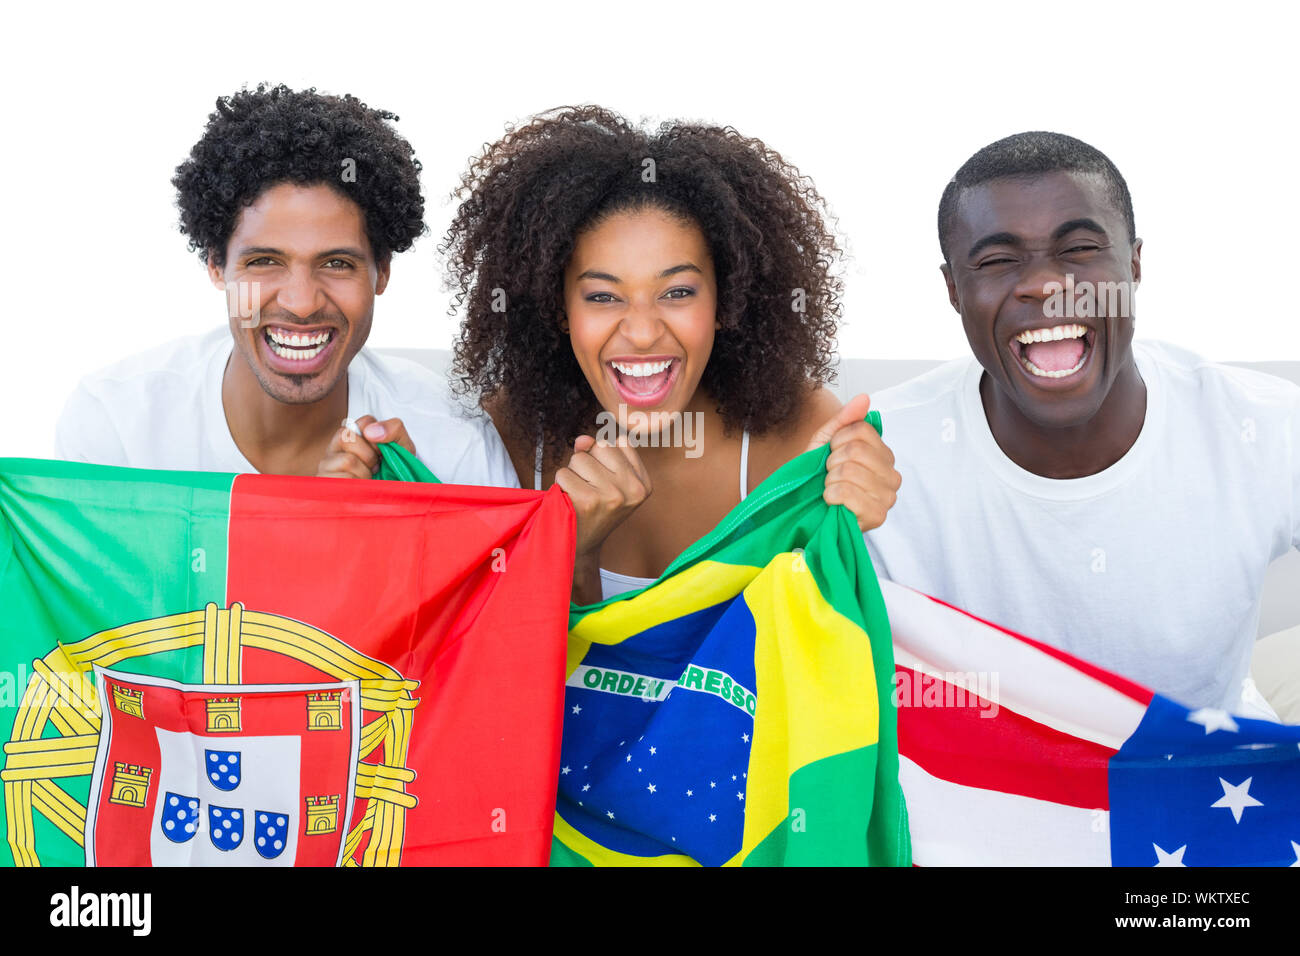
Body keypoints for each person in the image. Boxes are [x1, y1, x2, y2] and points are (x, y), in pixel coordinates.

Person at [865, 131, 1299, 713]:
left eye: (1079, 250)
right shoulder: (877, 454)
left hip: (1203, 781)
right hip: (989, 789)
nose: (1045, 283)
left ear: (1135, 264)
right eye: (997, 260)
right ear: (953, 290)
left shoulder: (1262, 427)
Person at [429, 106, 902, 604]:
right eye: (602, 296)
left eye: (677, 293)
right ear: (559, 308)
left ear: (727, 300)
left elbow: (821, 654)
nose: (641, 332)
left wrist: (837, 524)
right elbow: (496, 653)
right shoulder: (507, 441)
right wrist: (575, 553)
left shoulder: (802, 435)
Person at [55, 84, 515, 487]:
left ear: (382, 272)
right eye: (264, 261)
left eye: (336, 263)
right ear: (217, 265)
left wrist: (415, 528)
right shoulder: (117, 425)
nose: (300, 303)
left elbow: (509, 586)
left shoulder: (455, 442)